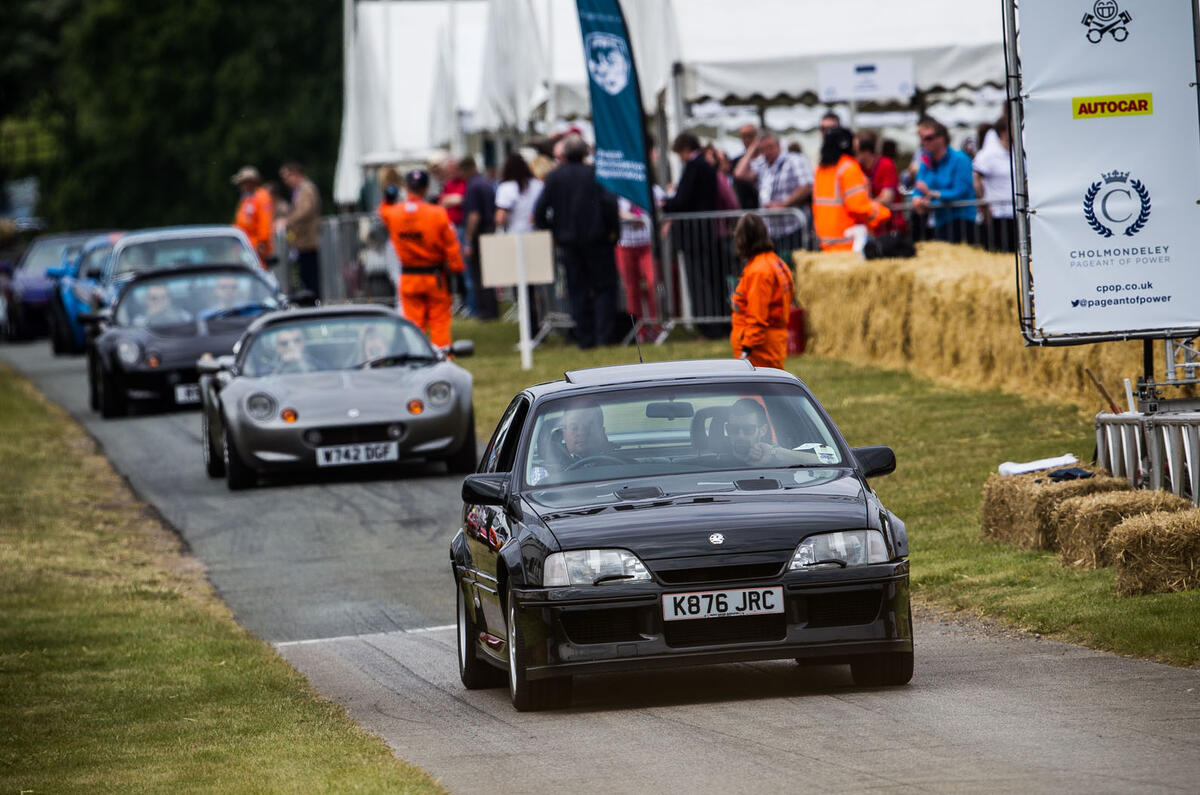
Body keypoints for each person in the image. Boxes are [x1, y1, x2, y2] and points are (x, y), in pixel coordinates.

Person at [534, 134, 620, 349]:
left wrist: (554, 232)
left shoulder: (555, 177)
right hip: (597, 239)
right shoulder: (595, 173)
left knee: (577, 289)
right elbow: (610, 204)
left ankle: (584, 338)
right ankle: (603, 335)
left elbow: (539, 211)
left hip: (569, 242)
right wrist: (613, 231)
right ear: (584, 153)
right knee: (603, 287)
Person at [378, 169, 465, 348]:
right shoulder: (437, 213)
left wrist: (388, 198)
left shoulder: (394, 213)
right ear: (426, 188)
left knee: (414, 325)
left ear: (407, 187)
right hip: (434, 277)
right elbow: (451, 244)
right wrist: (456, 268)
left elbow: (383, 211)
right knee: (439, 323)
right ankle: (442, 357)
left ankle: (416, 356)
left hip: (409, 277)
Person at [663, 131, 725, 337]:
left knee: (699, 282)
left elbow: (683, 199)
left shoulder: (694, 167)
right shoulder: (705, 166)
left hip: (694, 236)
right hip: (705, 233)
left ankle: (708, 327)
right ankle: (715, 325)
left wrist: (666, 203)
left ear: (685, 149)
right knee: (708, 279)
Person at [729, 213, 794, 371]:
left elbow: (757, 317)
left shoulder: (759, 271)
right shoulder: (775, 262)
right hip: (772, 342)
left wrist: (746, 350)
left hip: (759, 350)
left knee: (757, 387)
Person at [732, 130, 812, 256]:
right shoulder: (763, 164)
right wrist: (752, 147)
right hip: (770, 232)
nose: (767, 152)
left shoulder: (794, 160)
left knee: (789, 264)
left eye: (770, 147)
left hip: (791, 228)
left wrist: (783, 205)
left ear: (779, 145)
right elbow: (739, 173)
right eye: (763, 149)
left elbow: (806, 186)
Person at [812, 127, 892, 251]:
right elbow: (857, 205)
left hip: (826, 242)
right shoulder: (848, 168)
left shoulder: (820, 170)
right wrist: (882, 213)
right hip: (849, 241)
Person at [495, 152, 545, 329]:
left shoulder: (507, 188)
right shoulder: (538, 185)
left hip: (516, 239)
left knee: (521, 286)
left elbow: (500, 217)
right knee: (538, 284)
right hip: (537, 237)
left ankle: (528, 324)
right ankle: (540, 319)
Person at [912, 116, 977, 244]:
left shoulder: (960, 159)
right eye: (922, 138)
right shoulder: (926, 161)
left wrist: (931, 194)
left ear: (942, 138)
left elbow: (961, 191)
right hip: (940, 221)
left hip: (962, 221)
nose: (924, 142)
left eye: (928, 138)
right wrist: (916, 199)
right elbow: (919, 186)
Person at [723, 398, 826, 467]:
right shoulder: (715, 460)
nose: (740, 436)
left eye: (748, 429)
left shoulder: (777, 455)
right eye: (733, 429)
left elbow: (829, 463)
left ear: (763, 430)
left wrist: (775, 453)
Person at [460, 156, 498, 319]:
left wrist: (468, 240)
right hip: (489, 230)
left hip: (478, 233)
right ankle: (492, 309)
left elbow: (474, 216)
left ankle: (485, 311)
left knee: (478, 275)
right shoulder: (486, 183)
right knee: (488, 273)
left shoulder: (473, 186)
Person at [972, 115, 1016, 252]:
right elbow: (976, 177)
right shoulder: (988, 154)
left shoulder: (1018, 152)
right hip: (997, 215)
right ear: (1003, 132)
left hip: (1016, 213)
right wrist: (983, 203)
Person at [279, 162, 322, 298]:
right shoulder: (299, 191)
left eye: (287, 177)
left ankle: (314, 302)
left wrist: (288, 221)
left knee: (311, 276)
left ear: (296, 174)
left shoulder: (307, 189)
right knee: (305, 274)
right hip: (303, 242)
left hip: (309, 241)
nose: (285, 181)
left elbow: (305, 210)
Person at [855, 129, 906, 237]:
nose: (853, 155)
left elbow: (886, 198)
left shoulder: (886, 165)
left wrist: (862, 207)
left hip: (891, 228)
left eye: (855, 151)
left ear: (866, 151)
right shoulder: (858, 168)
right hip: (873, 228)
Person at [231, 166, 274, 268]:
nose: (241, 186)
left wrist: (262, 241)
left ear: (251, 182)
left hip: (257, 247)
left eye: (243, 183)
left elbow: (265, 221)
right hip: (246, 245)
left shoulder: (262, 196)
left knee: (258, 271)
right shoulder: (246, 198)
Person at [730, 124, 761, 209]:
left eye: (750, 136)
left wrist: (753, 147)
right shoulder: (736, 161)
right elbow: (738, 174)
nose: (747, 139)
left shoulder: (765, 159)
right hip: (744, 208)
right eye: (743, 136)